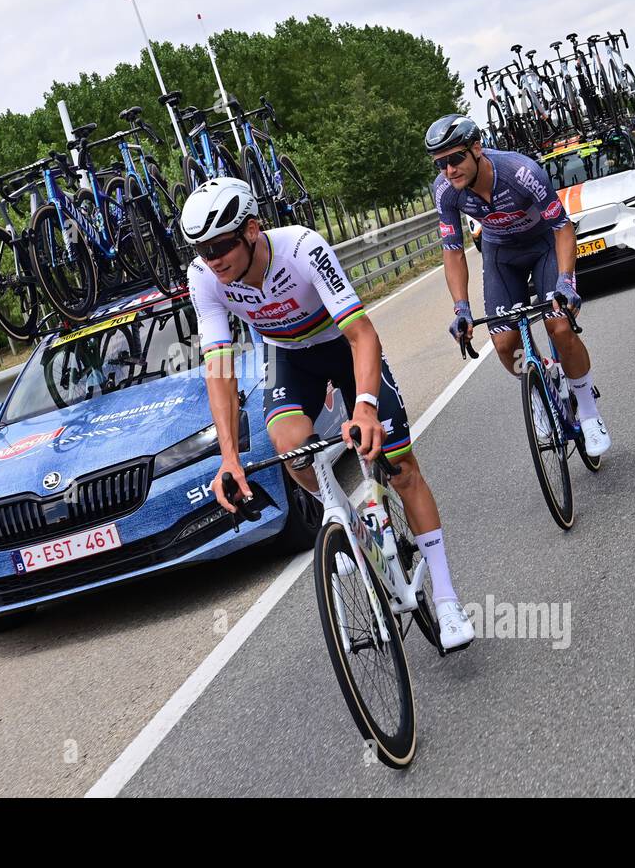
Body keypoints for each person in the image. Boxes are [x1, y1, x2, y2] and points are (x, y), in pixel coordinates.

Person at [183, 177, 475, 651]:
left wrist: (364, 407)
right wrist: (229, 459)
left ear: (252, 230)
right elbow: (218, 368)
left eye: (220, 245)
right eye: (201, 249)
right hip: (287, 357)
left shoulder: (302, 248)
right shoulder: (205, 279)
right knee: (291, 448)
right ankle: (343, 520)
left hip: (342, 346)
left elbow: (362, 335)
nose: (212, 259)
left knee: (400, 469)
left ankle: (445, 597)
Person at [426, 114, 611, 456]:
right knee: (503, 344)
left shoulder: (520, 172)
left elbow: (562, 226)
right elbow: (452, 251)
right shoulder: (445, 192)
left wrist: (566, 282)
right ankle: (541, 395)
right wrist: (461, 308)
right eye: (440, 164)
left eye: (455, 159)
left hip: (543, 246)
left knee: (559, 325)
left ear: (477, 148)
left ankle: (587, 409)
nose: (449, 170)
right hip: (501, 254)